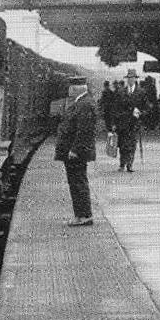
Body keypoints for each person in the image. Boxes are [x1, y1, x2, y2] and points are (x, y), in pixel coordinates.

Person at [54, 76, 96, 226]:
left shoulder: (84, 104)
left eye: (70, 87)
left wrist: (75, 149)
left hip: (77, 153)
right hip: (74, 152)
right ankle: (81, 215)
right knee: (76, 183)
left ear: (76, 88)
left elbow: (84, 130)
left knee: (78, 183)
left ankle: (84, 216)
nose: (68, 90)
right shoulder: (81, 102)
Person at [113, 69, 149, 172]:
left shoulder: (141, 92)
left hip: (134, 123)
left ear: (135, 79)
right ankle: (122, 164)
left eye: (132, 78)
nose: (130, 80)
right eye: (129, 78)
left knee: (132, 144)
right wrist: (114, 123)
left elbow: (146, 107)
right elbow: (115, 108)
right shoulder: (121, 92)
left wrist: (140, 113)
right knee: (123, 144)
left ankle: (130, 164)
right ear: (127, 79)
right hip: (122, 122)